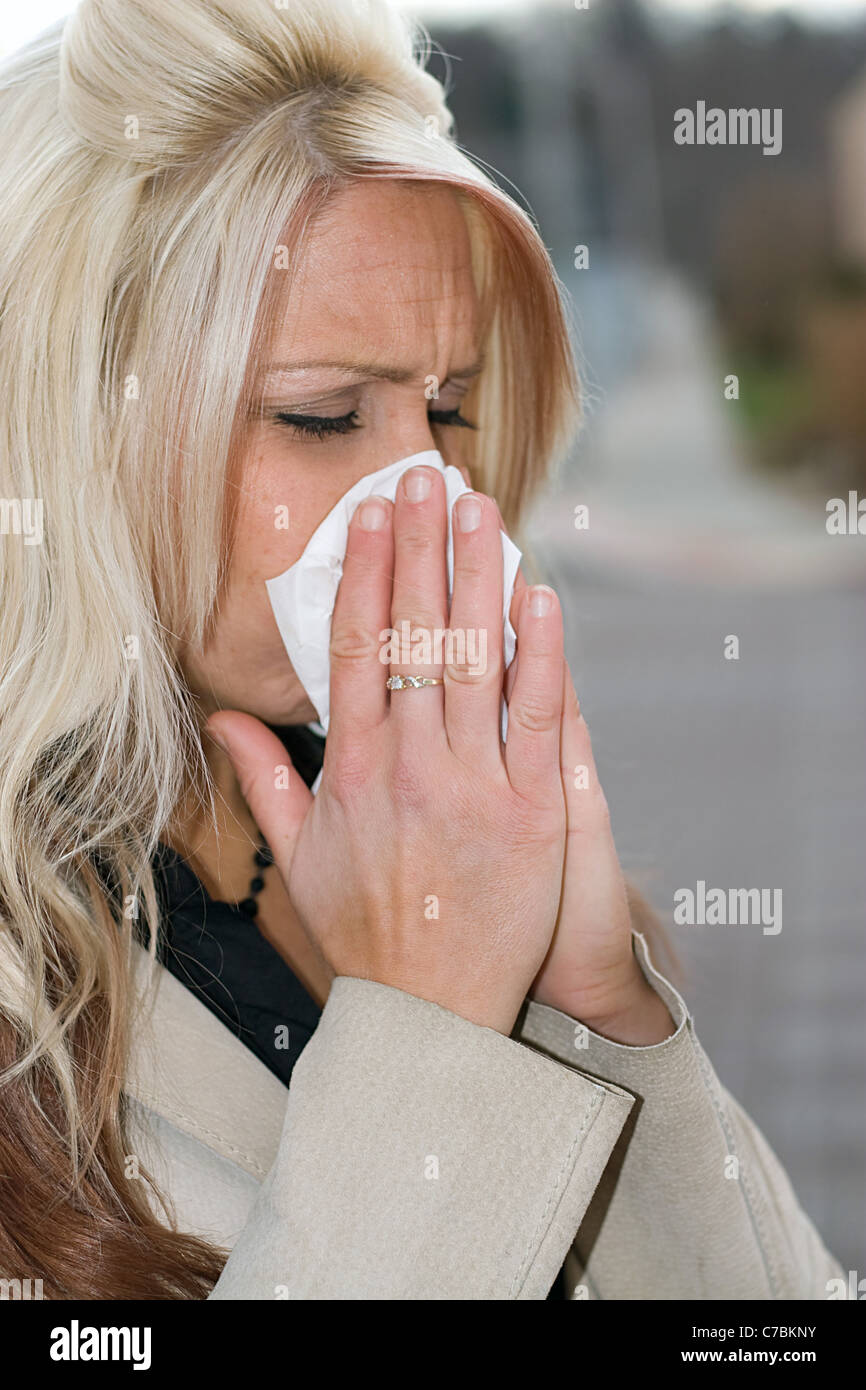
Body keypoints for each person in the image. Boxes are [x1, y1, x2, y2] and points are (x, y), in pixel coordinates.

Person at [0, 0, 841, 1299]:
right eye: (321, 413)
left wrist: (597, 1009)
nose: (430, 494)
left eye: (447, 409)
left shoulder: (413, 814)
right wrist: (432, 1027)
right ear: (62, 431)